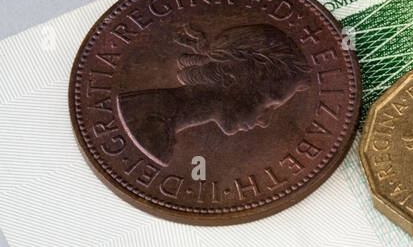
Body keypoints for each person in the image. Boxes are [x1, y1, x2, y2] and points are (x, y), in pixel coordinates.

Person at [118, 23, 313, 163]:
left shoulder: (158, 124)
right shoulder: (147, 125)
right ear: (233, 75)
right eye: (269, 103)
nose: (265, 121)